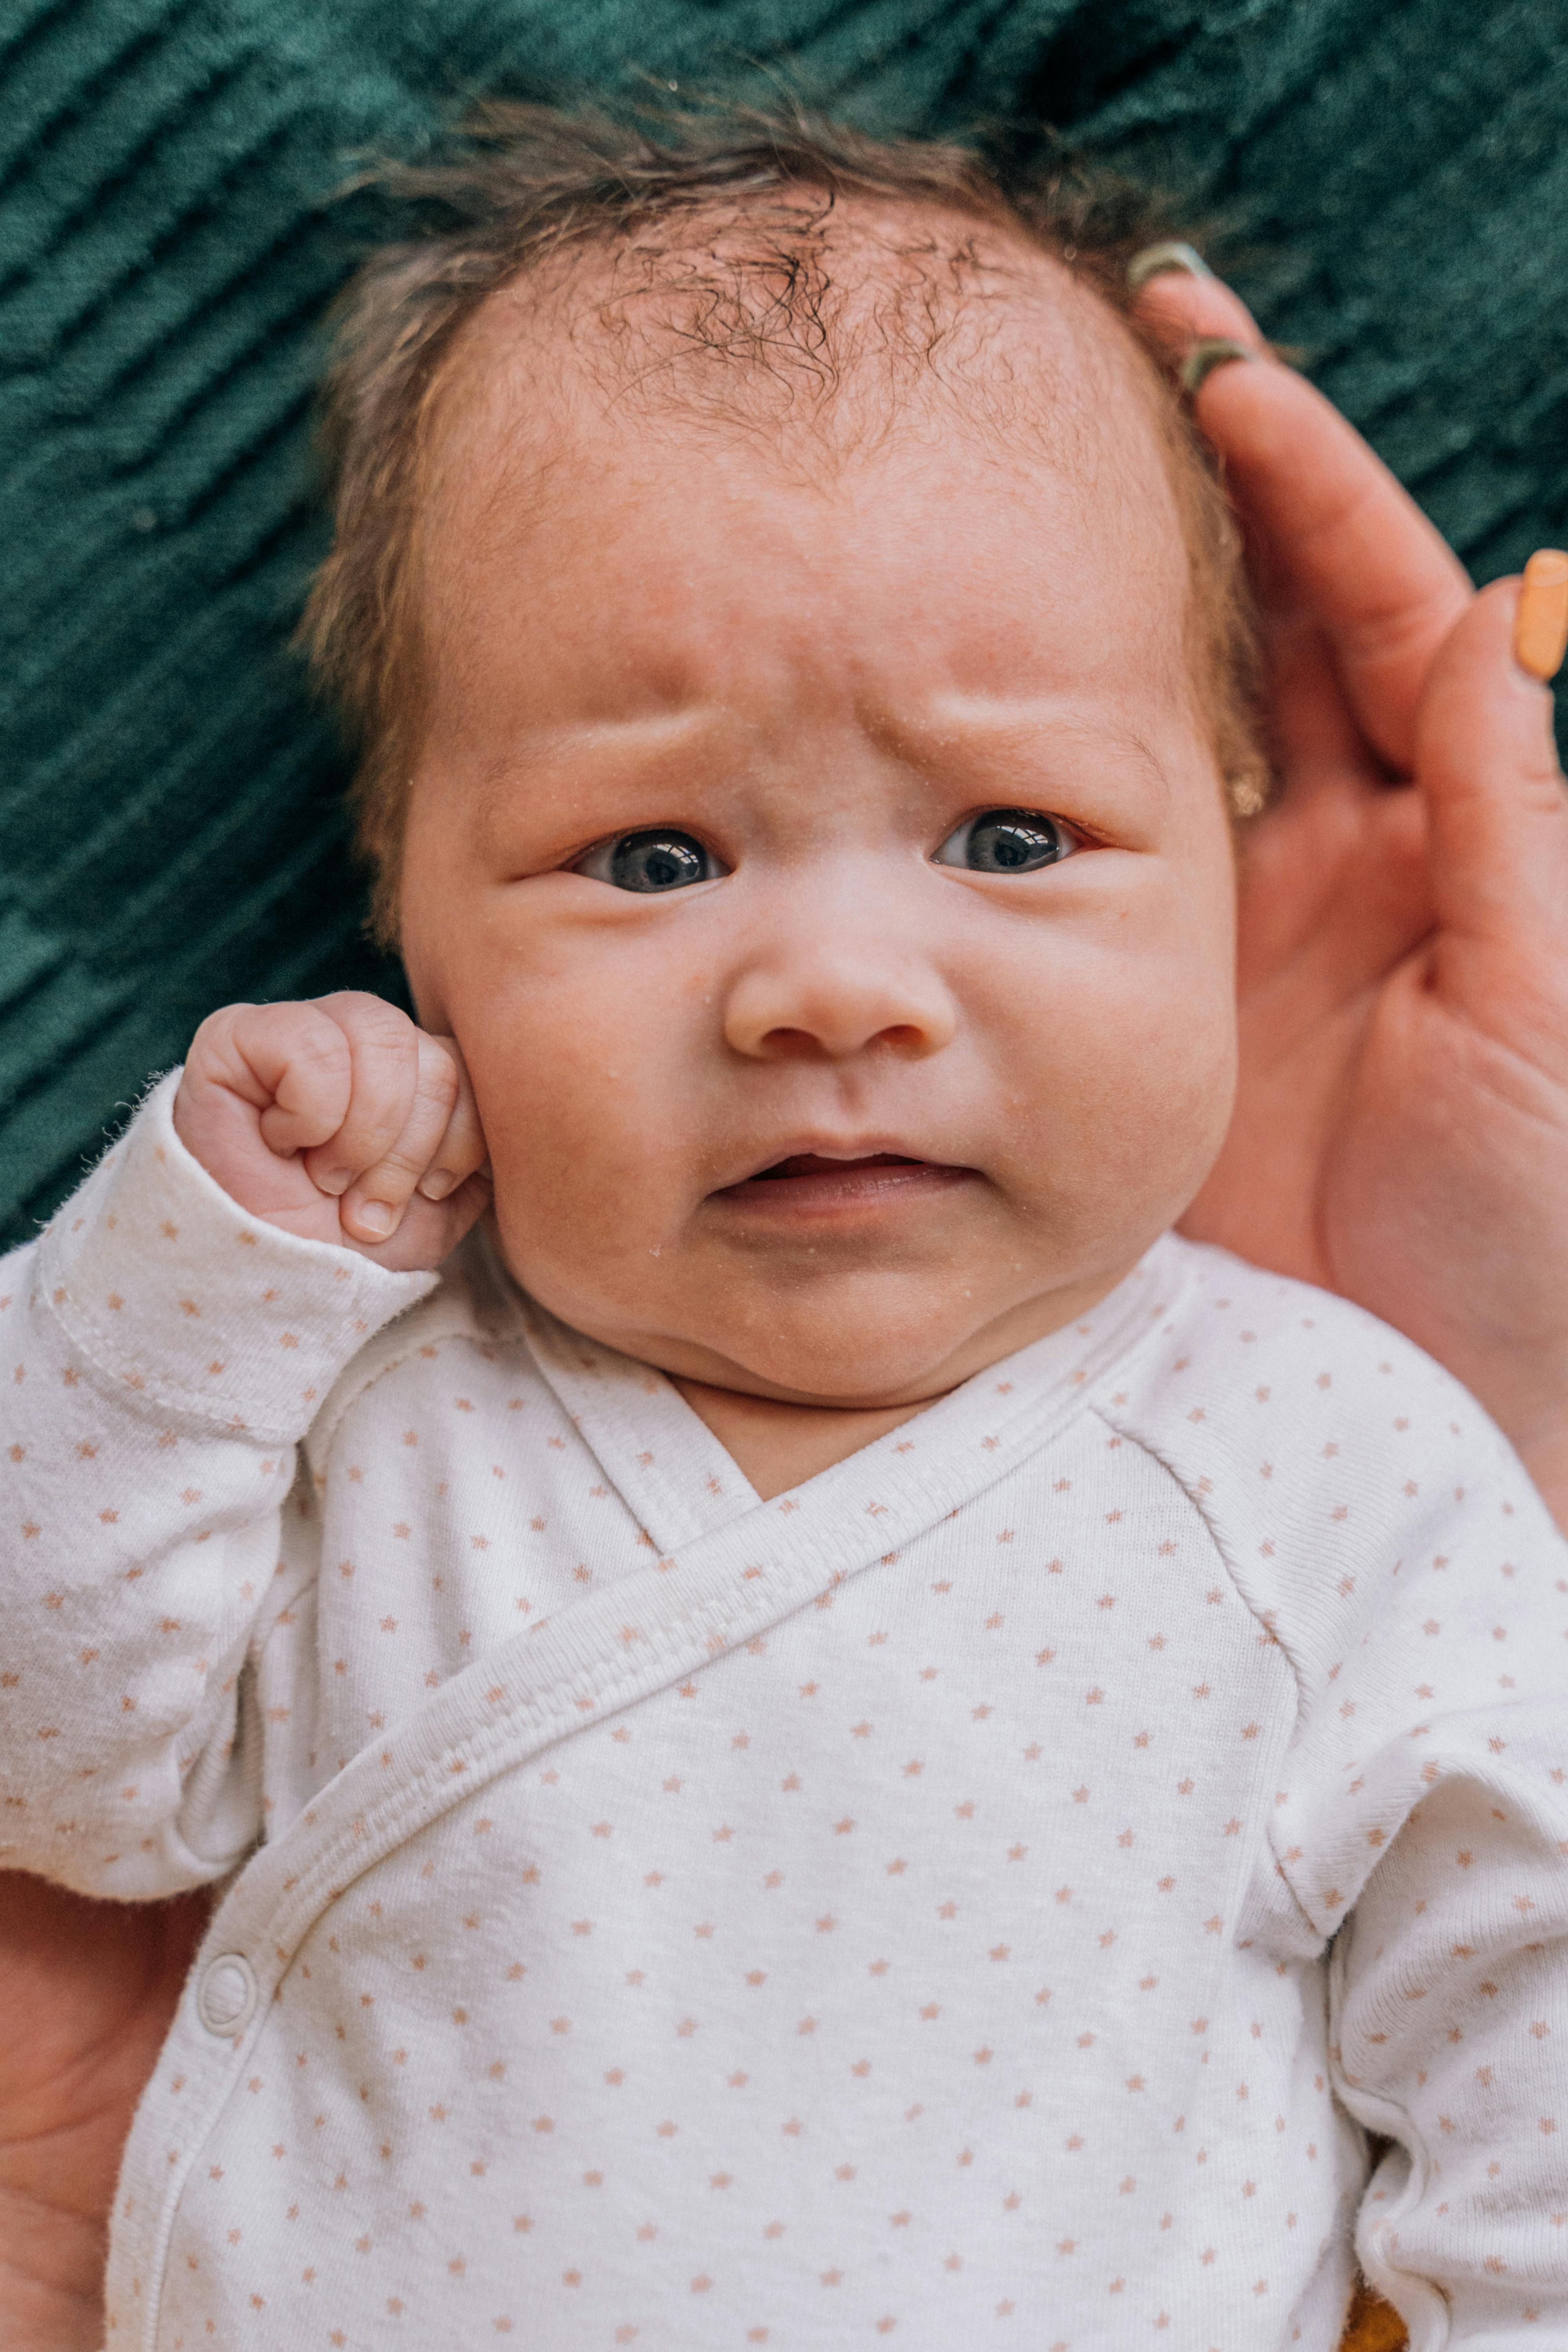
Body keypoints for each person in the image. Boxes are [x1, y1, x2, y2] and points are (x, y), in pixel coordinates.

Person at [4, 109, 1567, 2352]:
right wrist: (193, 1285)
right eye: (653, 859)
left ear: (1233, 852)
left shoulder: (1347, 1471)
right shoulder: (350, 1403)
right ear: (413, 915)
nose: (835, 986)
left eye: (1014, 834)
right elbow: (47, 1767)